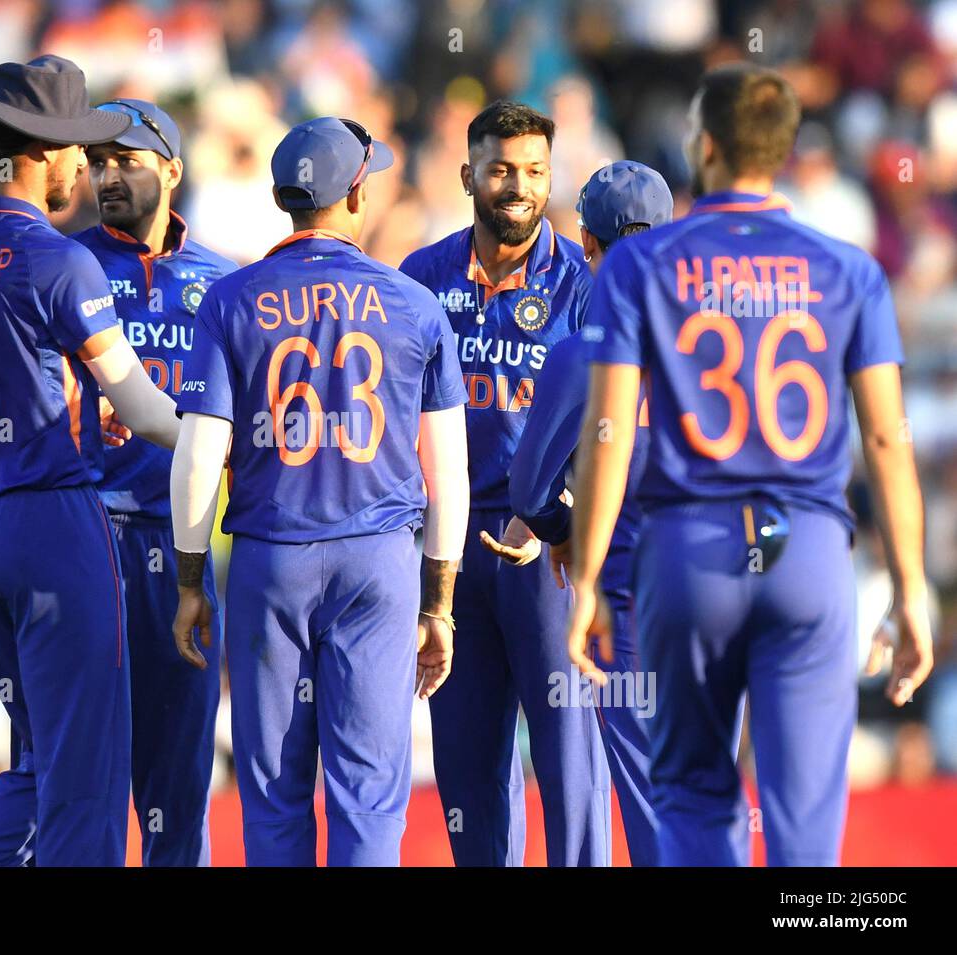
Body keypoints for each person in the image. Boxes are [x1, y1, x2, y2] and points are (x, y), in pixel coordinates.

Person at [566, 63, 934, 866]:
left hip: (687, 550)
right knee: (804, 816)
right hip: (804, 545)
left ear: (704, 146)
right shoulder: (851, 269)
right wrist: (911, 586)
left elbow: (608, 432)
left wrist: (589, 577)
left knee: (696, 800)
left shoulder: (638, 264)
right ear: (787, 146)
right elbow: (886, 440)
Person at [170, 117, 470, 866]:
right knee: (367, 793)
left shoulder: (230, 299)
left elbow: (199, 457)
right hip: (379, 563)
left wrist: (187, 580)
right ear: (357, 191)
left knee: (273, 790)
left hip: (272, 559)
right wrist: (440, 603)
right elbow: (449, 476)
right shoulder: (414, 304)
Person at [0, 55, 180, 867]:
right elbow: (141, 408)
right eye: (80, 153)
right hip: (53, 522)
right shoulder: (62, 258)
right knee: (88, 768)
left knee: (39, 756)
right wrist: (226, 433)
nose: (88, 171)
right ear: (41, 152)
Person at [486, 161, 727, 866]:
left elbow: (528, 493)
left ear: (586, 244)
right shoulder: (718, 341)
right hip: (730, 587)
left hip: (632, 599)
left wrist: (562, 534)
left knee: (655, 795)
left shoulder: (580, 353)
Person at [399, 99, 608, 867]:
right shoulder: (419, 279)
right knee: (466, 763)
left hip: (547, 549)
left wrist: (564, 516)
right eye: (500, 170)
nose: (518, 187)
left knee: (568, 758)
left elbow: (611, 420)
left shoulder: (582, 281)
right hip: (449, 549)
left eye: (534, 172)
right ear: (467, 176)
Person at [71, 99, 236, 867]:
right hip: (83, 539)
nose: (107, 176)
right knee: (79, 776)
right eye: (97, 161)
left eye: (126, 161)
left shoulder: (227, 284)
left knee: (179, 781)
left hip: (183, 548)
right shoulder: (65, 265)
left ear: (171, 169)